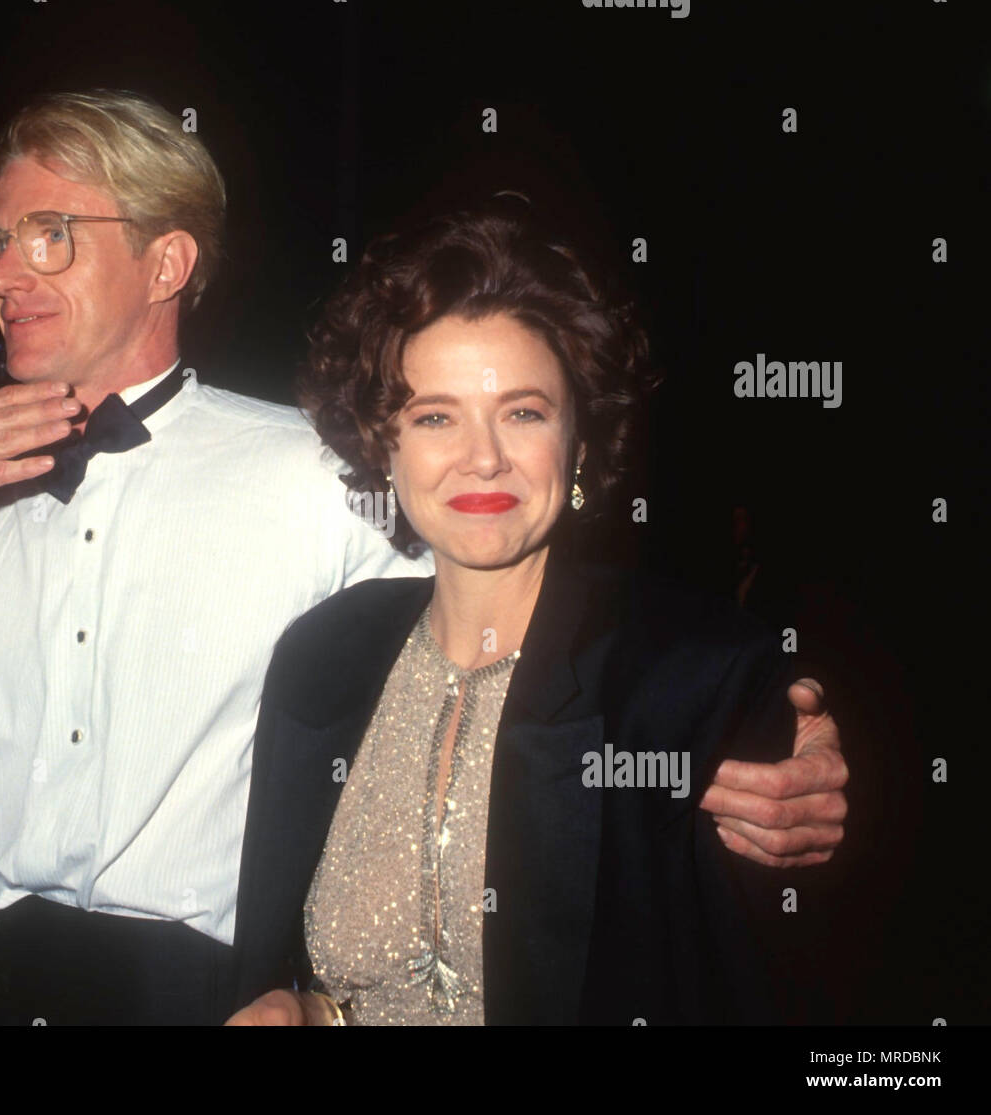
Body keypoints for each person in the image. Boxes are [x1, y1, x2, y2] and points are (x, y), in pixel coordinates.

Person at [0, 91, 844, 1026]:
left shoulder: (325, 469)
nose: (3, 272)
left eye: (48, 234)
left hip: (221, 998)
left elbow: (508, 666)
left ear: (167, 261)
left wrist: (744, 744)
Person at [229, 195, 844, 1026]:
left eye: (523, 411)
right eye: (435, 415)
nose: (482, 456)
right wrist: (295, 1007)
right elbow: (272, 953)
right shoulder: (322, 654)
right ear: (384, 443)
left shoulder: (692, 681)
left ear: (580, 443)